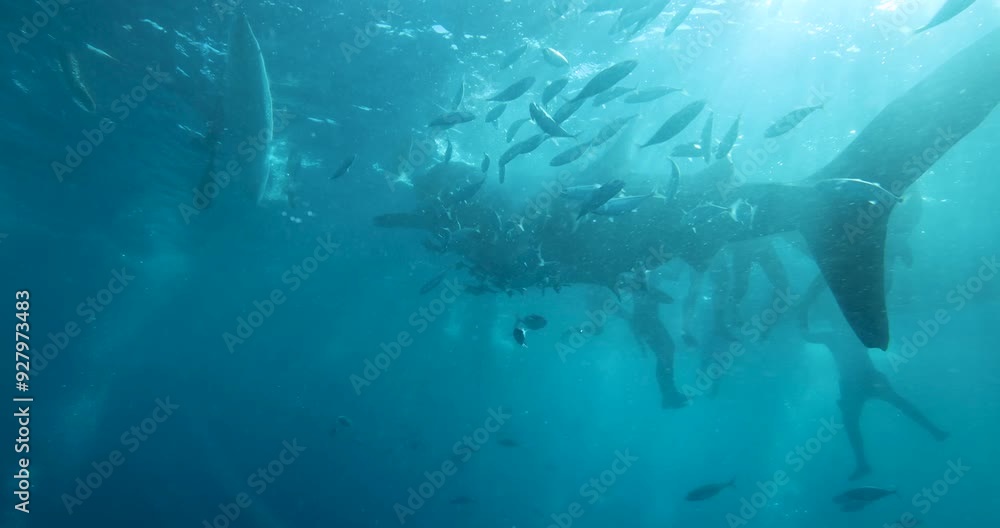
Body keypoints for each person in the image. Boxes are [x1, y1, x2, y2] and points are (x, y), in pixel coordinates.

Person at [798, 274, 949, 480]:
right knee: (891, 408)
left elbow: (805, 333)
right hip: (864, 380)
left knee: (865, 418)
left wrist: (806, 302)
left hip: (858, 382)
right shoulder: (850, 330)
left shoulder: (838, 334)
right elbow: (878, 305)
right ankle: (931, 432)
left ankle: (865, 462)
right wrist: (806, 302)